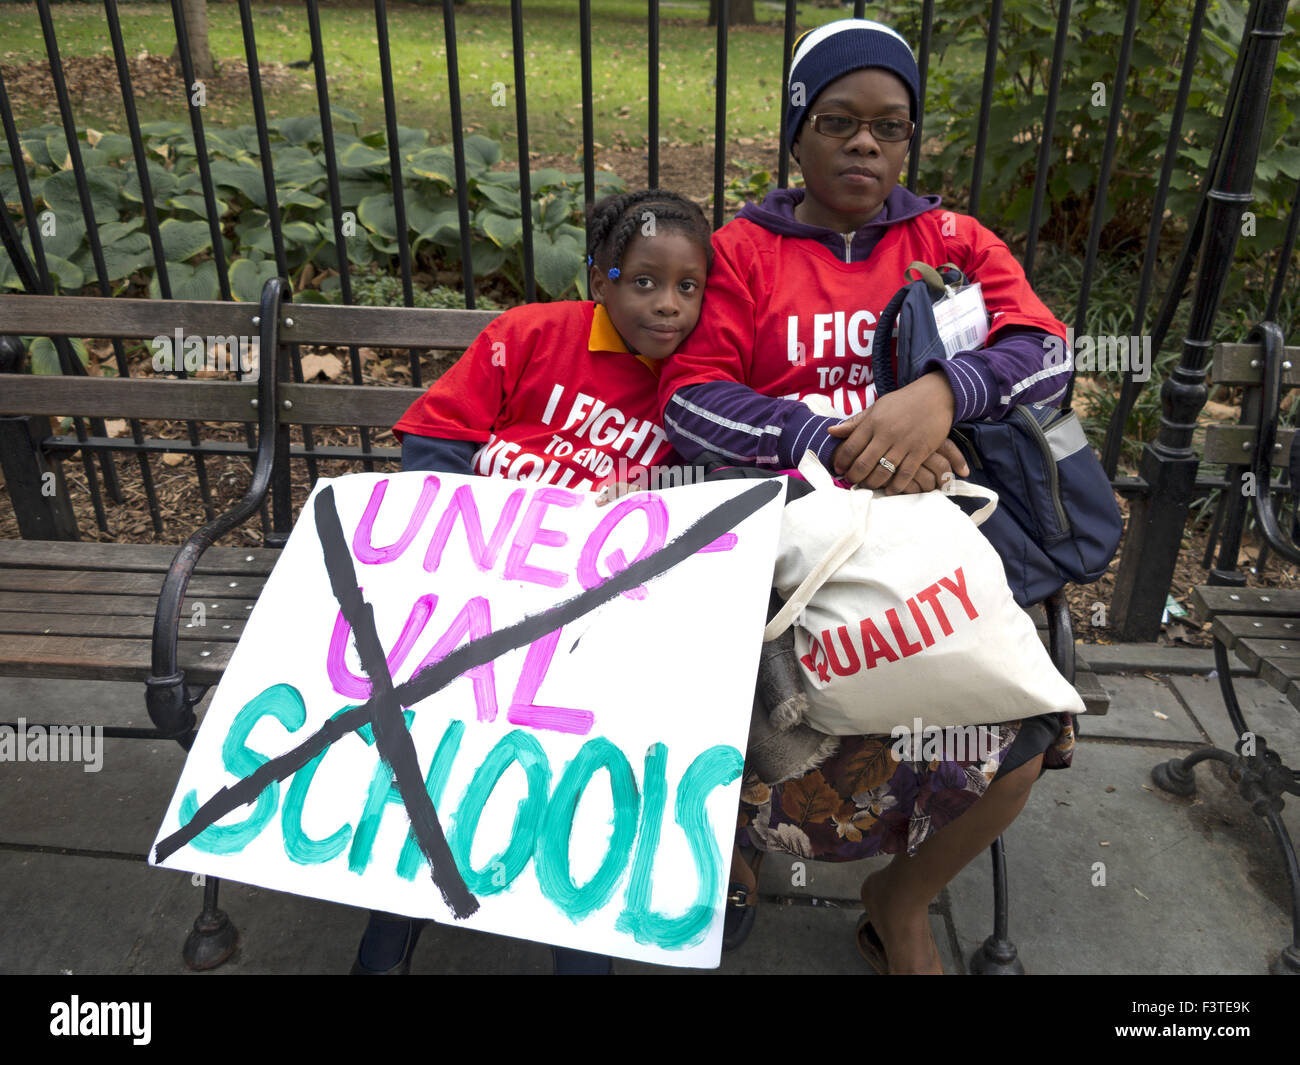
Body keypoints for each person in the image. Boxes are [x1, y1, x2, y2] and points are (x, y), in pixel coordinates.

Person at [657, 18, 1077, 974]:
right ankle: (731, 856)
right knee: (707, 688)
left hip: (937, 536)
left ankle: (905, 895)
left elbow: (1046, 351)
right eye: (840, 121)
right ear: (798, 133)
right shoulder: (742, 254)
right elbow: (689, 400)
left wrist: (941, 397)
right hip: (784, 552)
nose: (865, 144)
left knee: (1021, 727)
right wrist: (834, 443)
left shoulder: (949, 241)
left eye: (890, 128)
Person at [350, 188, 714, 974]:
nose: (669, 305)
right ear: (600, 280)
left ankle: (578, 935)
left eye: (689, 287)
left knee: (581, 772)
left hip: (599, 618)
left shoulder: (697, 378)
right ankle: (392, 928)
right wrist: (458, 556)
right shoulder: (528, 336)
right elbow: (439, 439)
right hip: (475, 591)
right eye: (644, 281)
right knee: (435, 746)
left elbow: (709, 503)